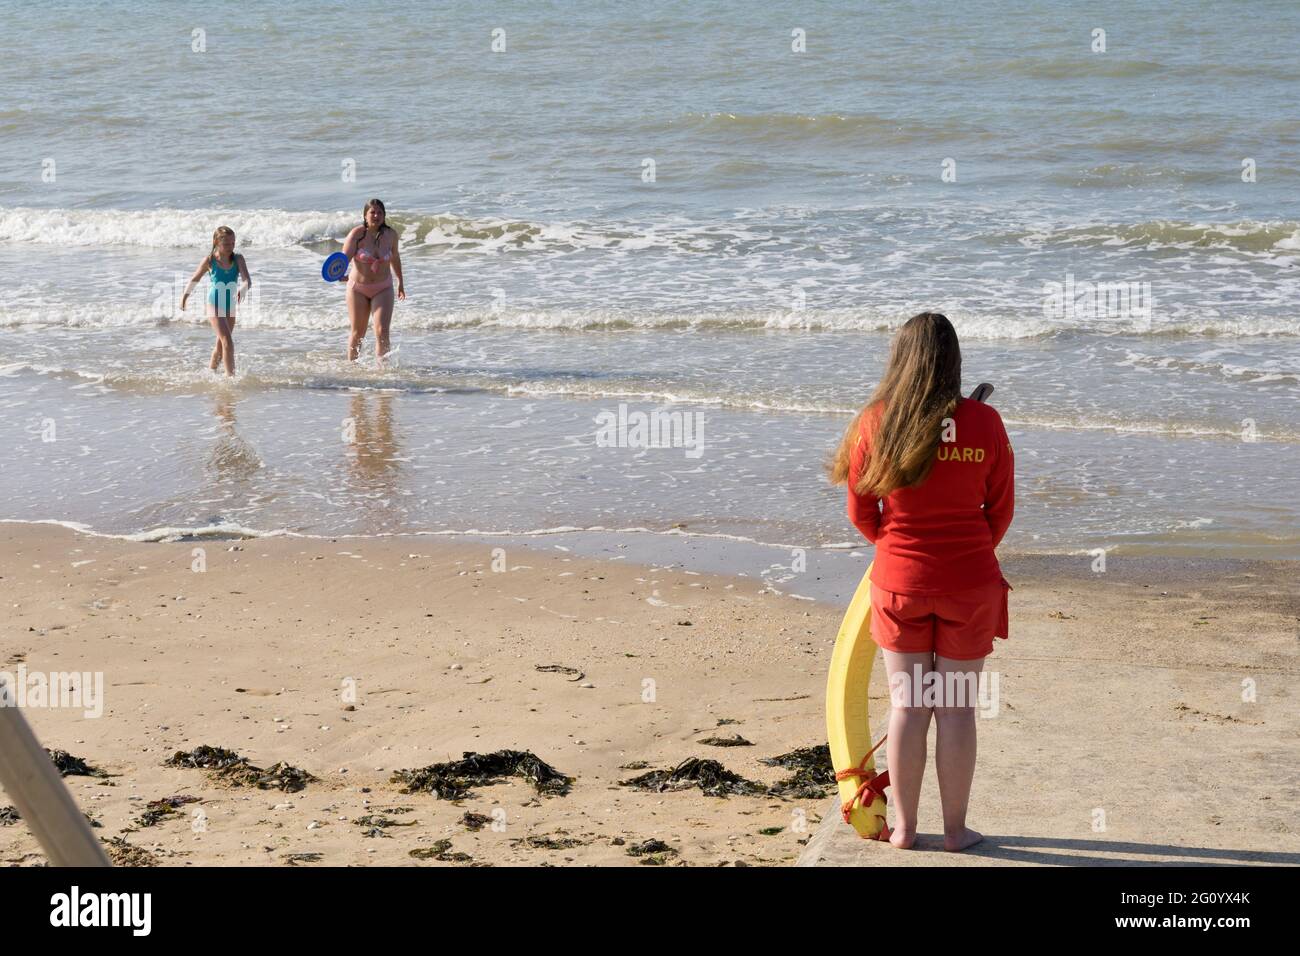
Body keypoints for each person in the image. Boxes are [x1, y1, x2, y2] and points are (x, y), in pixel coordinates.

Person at [828, 311, 1014, 852]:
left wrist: (900, 549)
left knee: (908, 706)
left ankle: (906, 830)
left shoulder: (875, 421)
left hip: (899, 585)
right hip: (969, 585)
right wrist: (965, 552)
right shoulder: (985, 422)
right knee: (956, 706)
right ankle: (955, 831)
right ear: (954, 361)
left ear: (900, 360)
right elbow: (999, 510)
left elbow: (861, 510)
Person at [181, 226, 250, 376]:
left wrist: (244, 288)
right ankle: (230, 377)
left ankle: (210, 372)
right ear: (216, 242)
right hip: (214, 303)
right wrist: (184, 297)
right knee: (227, 341)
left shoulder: (238, 258)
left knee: (220, 345)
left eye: (233, 243)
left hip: (230, 305)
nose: (230, 247)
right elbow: (194, 279)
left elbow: (247, 280)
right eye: (226, 244)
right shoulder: (210, 260)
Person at [342, 198, 405, 361]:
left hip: (383, 288)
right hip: (358, 289)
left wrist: (400, 281)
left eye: (380, 212)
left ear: (384, 215)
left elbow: (395, 258)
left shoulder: (391, 235)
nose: (376, 215)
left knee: (382, 331)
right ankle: (351, 369)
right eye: (372, 212)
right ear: (365, 215)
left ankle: (382, 371)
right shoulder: (356, 235)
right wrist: (338, 273)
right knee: (358, 333)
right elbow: (343, 259)